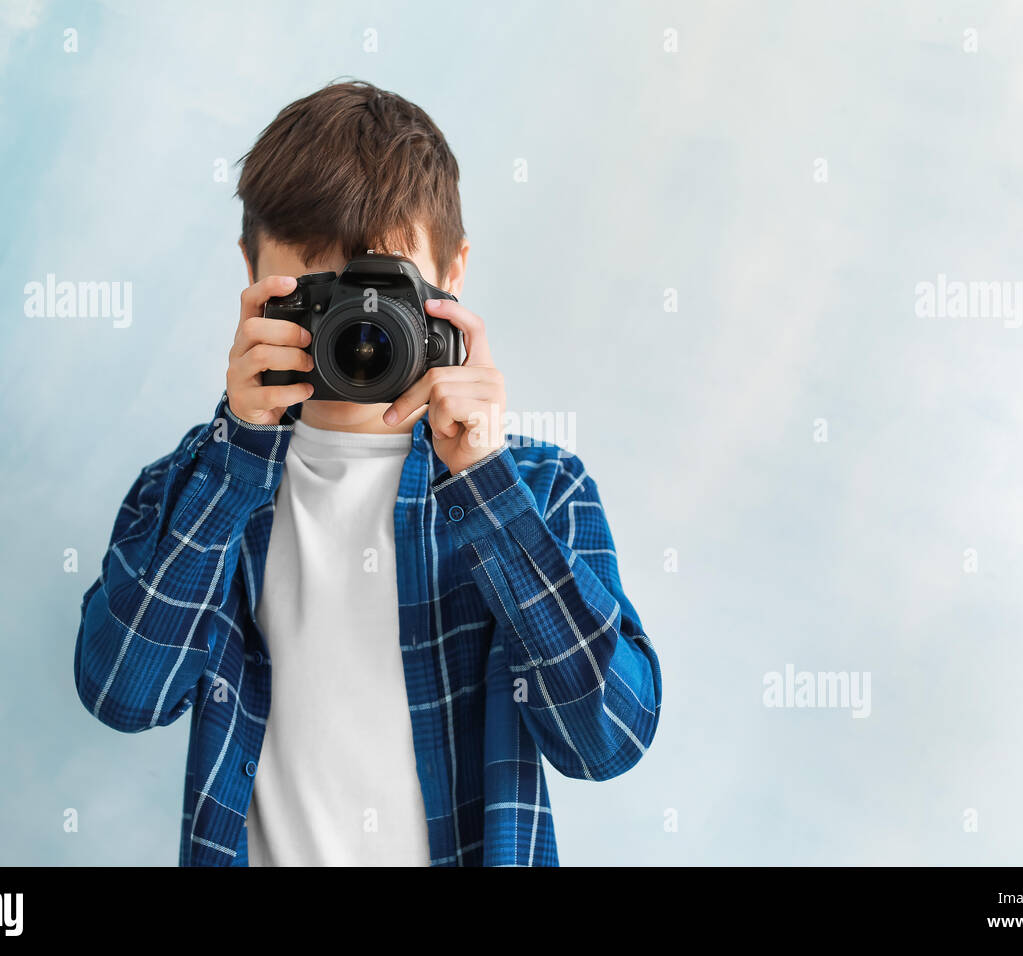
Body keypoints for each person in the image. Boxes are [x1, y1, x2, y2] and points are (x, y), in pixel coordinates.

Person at [74, 80, 663, 866]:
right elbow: (122, 694)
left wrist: (486, 484)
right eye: (316, 299)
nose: (354, 333)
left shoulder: (540, 490)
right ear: (250, 273)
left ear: (452, 274)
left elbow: (609, 739)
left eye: (381, 294)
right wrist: (234, 456)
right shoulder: (192, 485)